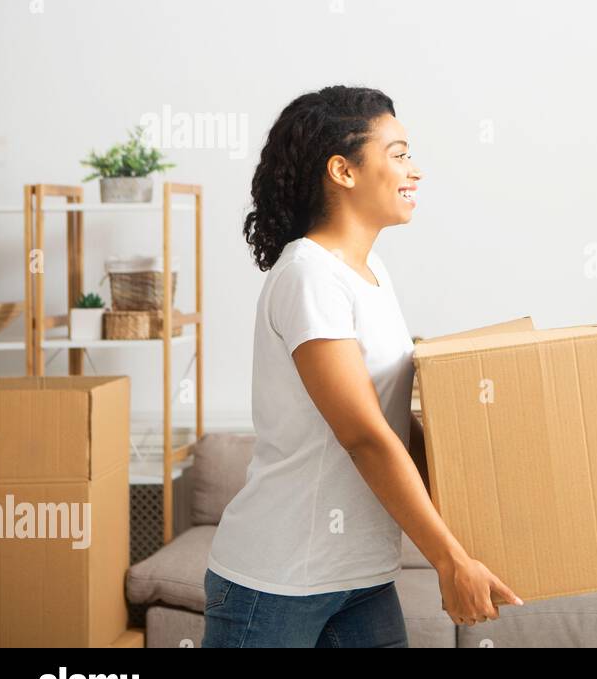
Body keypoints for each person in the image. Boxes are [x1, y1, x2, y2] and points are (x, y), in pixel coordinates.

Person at [203, 85, 520, 647]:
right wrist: (448, 560)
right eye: (398, 154)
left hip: (361, 576)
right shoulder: (308, 275)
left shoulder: (369, 273)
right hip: (278, 581)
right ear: (342, 171)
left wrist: (479, 529)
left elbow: (397, 425)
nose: (415, 170)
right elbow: (365, 436)